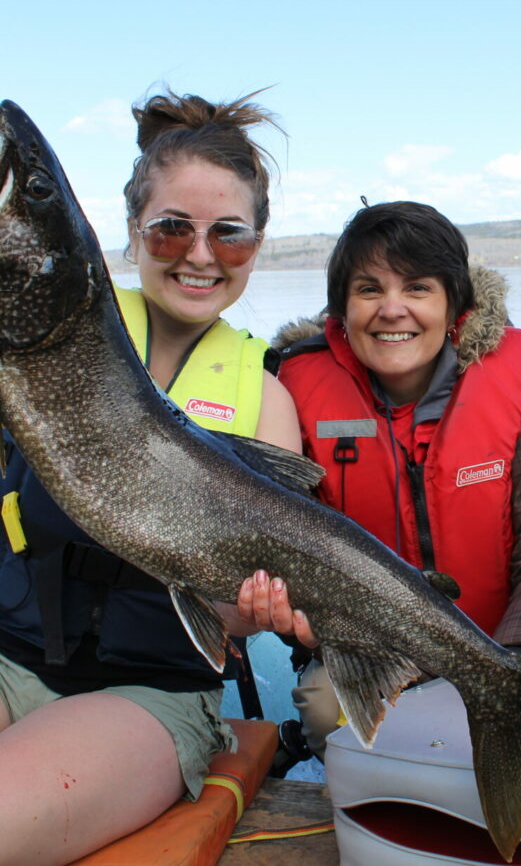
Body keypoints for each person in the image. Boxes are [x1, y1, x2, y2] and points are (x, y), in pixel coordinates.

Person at [0, 90, 306, 866]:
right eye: (173, 227)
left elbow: (230, 626)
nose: (199, 255)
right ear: (131, 231)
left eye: (228, 236)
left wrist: (252, 613)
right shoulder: (48, 332)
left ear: (255, 247)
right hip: (10, 655)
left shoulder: (266, 398)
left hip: (148, 694)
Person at [273, 199, 521, 758]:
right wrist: (293, 625)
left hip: (506, 641)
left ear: (455, 306)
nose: (392, 309)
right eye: (369, 289)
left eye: (418, 288)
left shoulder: (517, 389)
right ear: (342, 310)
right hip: (371, 649)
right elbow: (278, 552)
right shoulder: (290, 392)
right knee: (329, 712)